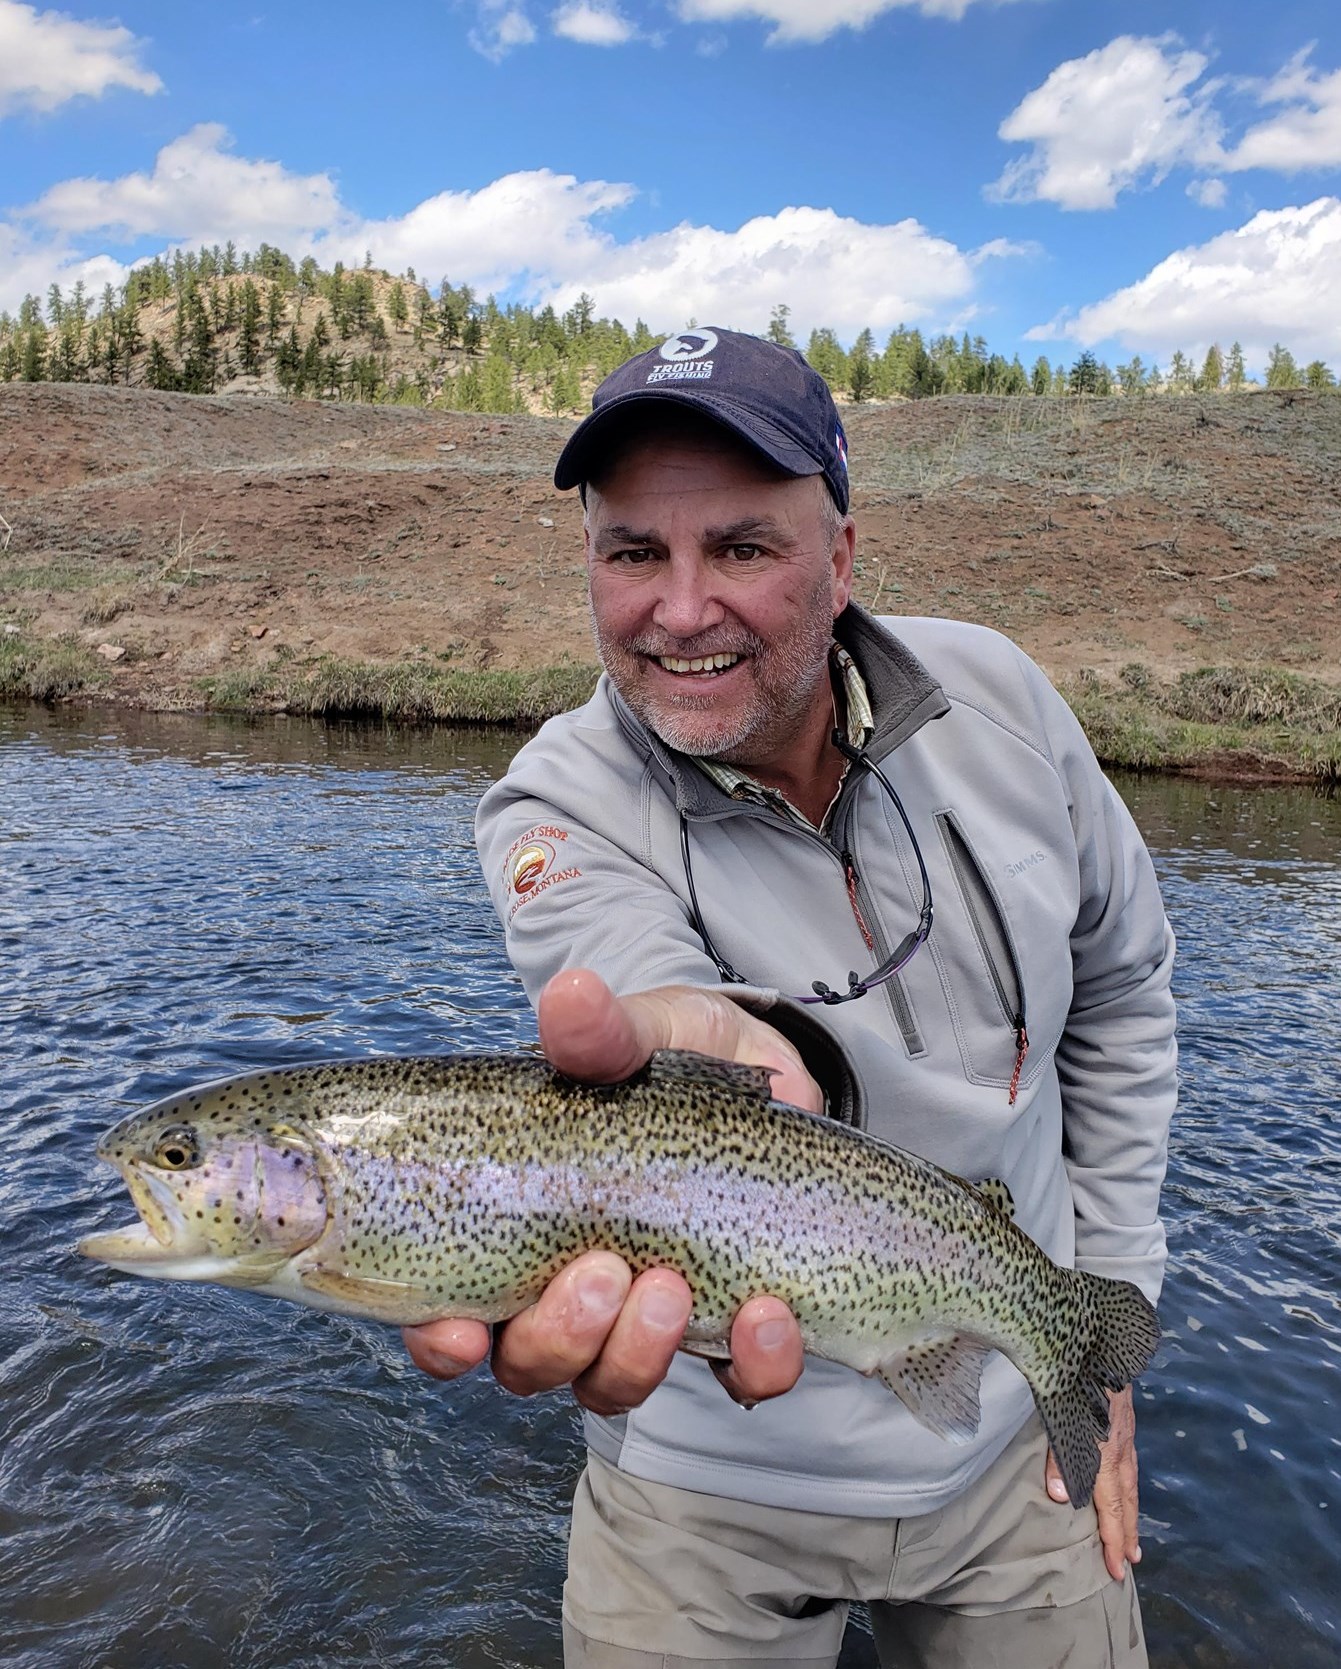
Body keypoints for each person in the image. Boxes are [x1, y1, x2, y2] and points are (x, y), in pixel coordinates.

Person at [403, 327, 1177, 1667]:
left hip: (1012, 1444)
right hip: (701, 1494)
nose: (680, 607)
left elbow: (1120, 994)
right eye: (632, 551)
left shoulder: (1001, 699)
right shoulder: (552, 802)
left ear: (842, 558)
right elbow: (648, 993)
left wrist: (1095, 1331)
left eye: (742, 548)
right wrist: (734, 1055)